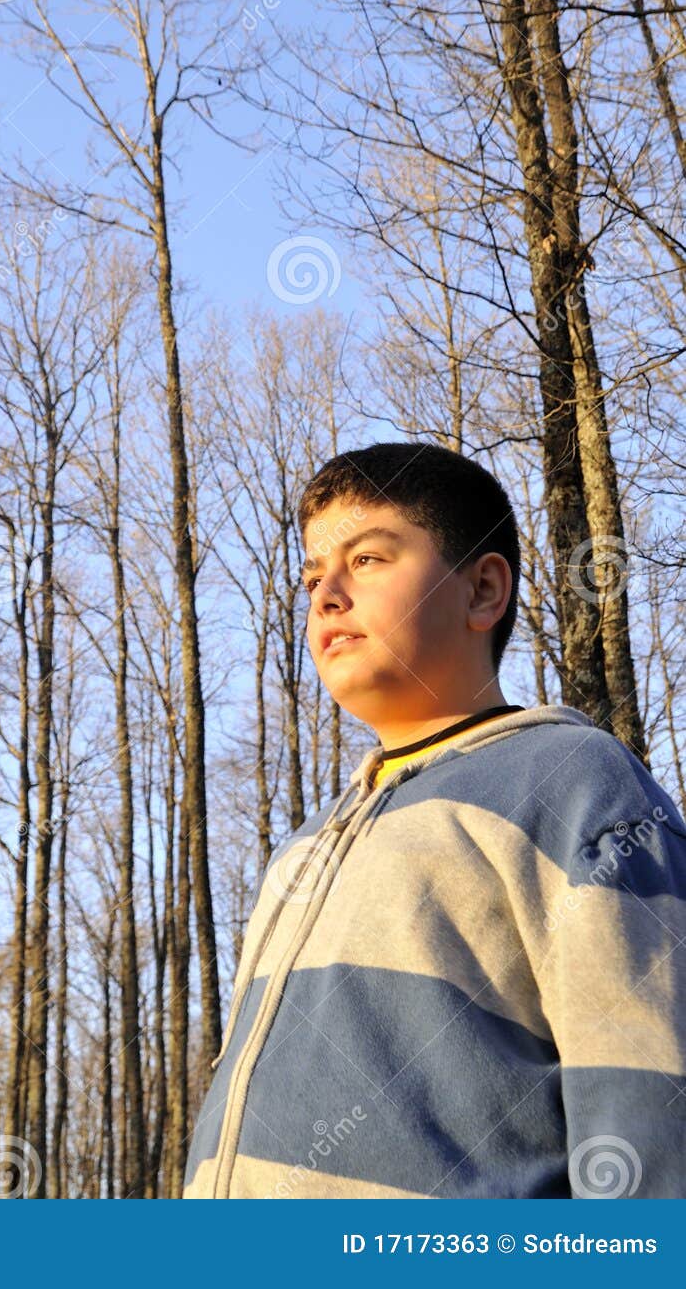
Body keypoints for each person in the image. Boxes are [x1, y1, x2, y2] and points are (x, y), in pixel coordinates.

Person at [182, 440, 686, 1198]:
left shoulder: (571, 782)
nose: (324, 595)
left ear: (482, 592)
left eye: (369, 559)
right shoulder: (301, 849)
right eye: (313, 574)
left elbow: (651, 1102)